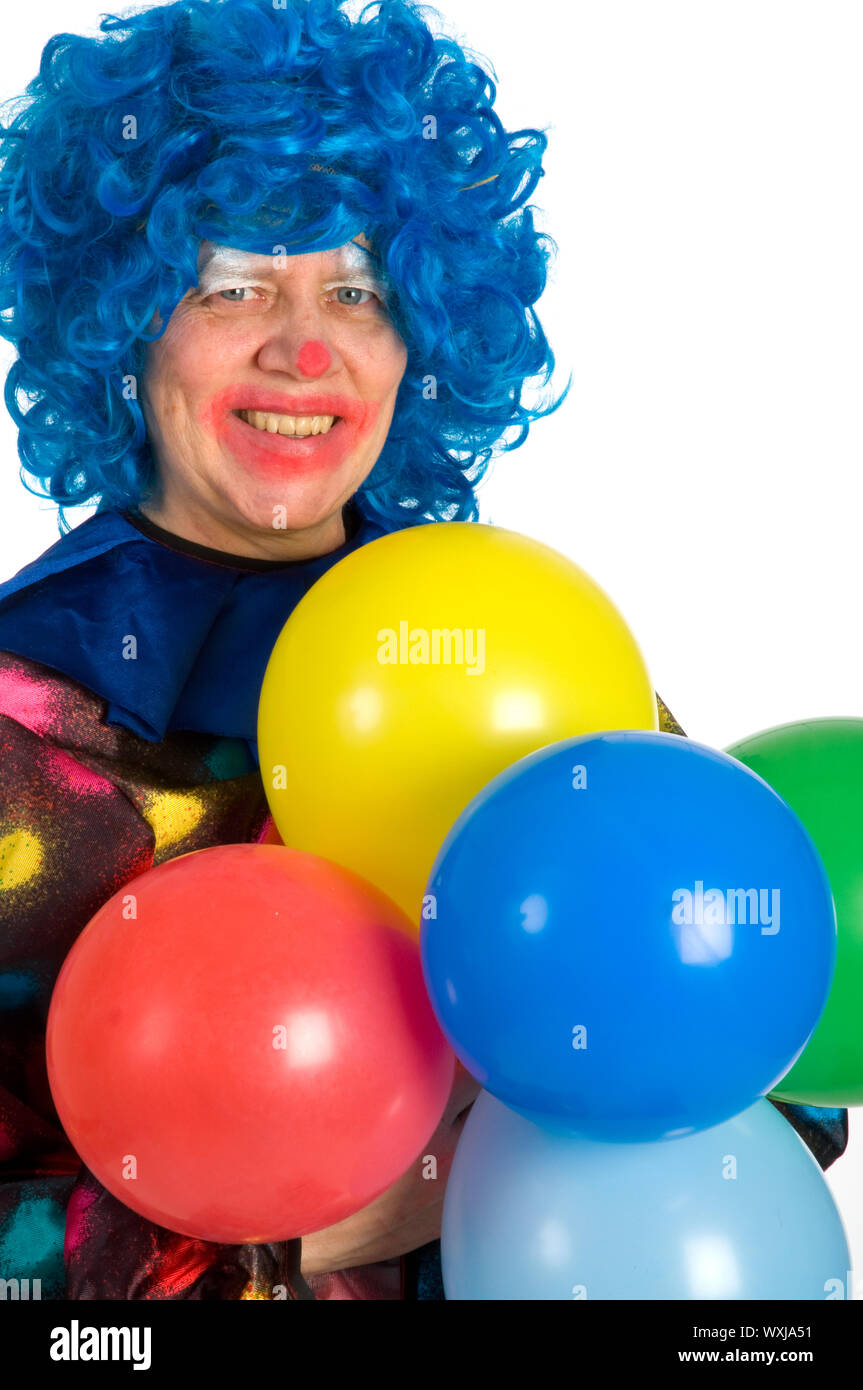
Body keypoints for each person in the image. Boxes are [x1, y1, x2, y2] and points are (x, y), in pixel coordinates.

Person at [0, 0, 846, 1302]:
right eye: (235, 285)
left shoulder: (517, 657)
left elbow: (749, 1049)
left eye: (359, 289)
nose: (306, 346)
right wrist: (281, 1241)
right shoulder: (24, 724)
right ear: (122, 324)